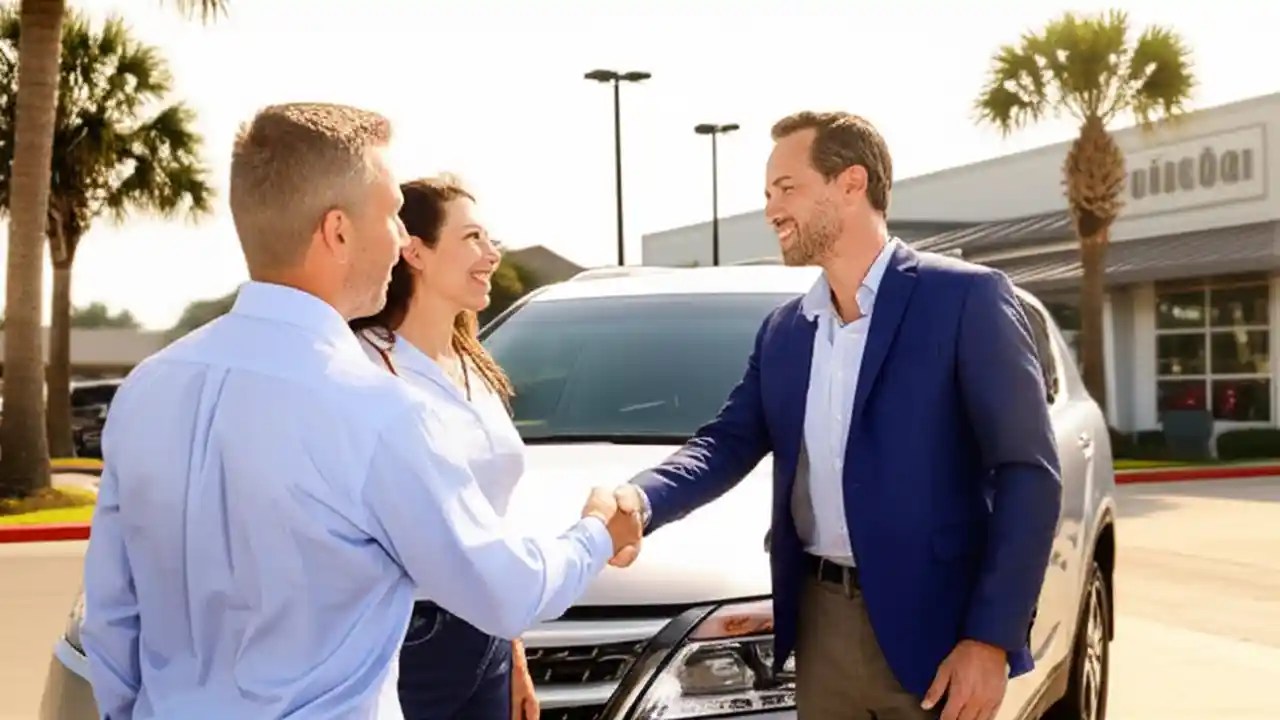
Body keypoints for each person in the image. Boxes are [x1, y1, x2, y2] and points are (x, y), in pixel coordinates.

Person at [79, 102, 640, 720]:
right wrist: (595, 532)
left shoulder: (146, 389)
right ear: (338, 232)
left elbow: (112, 615)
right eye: (395, 214)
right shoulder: (376, 409)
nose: (403, 238)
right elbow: (505, 592)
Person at [614, 111, 1062, 720]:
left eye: (787, 188)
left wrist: (990, 639)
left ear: (851, 184)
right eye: (768, 194)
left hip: (937, 633)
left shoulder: (966, 300)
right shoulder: (785, 332)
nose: (772, 210)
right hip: (821, 626)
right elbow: (725, 442)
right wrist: (638, 501)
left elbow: (1027, 474)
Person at [347, 175, 536, 720]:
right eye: (473, 238)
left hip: (488, 637)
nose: (492, 253)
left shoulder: (473, 362)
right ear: (416, 252)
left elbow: (494, 518)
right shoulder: (363, 363)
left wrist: (514, 648)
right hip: (410, 638)